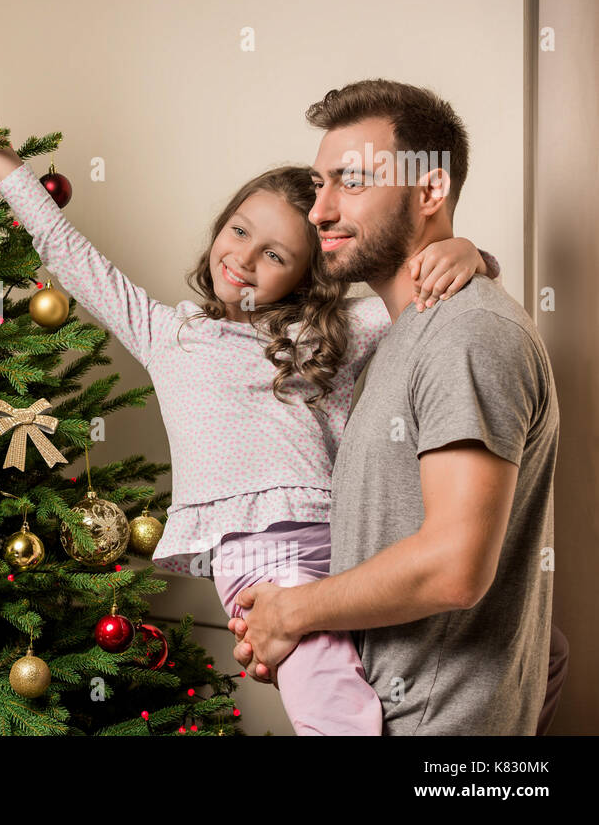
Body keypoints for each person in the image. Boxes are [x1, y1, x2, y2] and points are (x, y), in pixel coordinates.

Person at [0, 50, 499, 734]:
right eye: (239, 232)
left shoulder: (333, 333)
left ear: (304, 277)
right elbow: (58, 241)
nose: (245, 260)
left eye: (276, 256)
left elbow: (423, 291)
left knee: (502, 656)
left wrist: (474, 254)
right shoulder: (170, 334)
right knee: (335, 710)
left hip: (354, 547)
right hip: (263, 558)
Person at [227, 80, 565, 735]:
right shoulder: (402, 336)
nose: (320, 209)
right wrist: (297, 629)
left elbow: (454, 565)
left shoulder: (467, 332)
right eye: (319, 184)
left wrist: (294, 612)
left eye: (349, 182)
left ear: (430, 191)